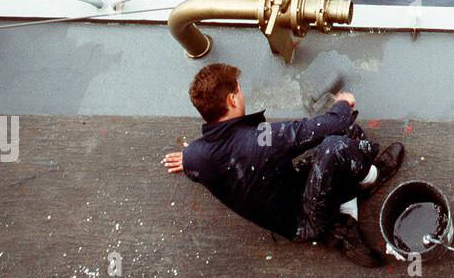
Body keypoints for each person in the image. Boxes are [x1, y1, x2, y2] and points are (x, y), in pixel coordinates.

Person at [161, 62, 403, 266]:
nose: (242, 95)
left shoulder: (195, 157)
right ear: (232, 99)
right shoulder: (262, 140)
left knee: (349, 136)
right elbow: (334, 123)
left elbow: (196, 162)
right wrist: (342, 103)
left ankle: (346, 205)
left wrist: (187, 159)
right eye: (239, 90)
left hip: (287, 189)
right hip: (303, 221)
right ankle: (359, 198)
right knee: (337, 145)